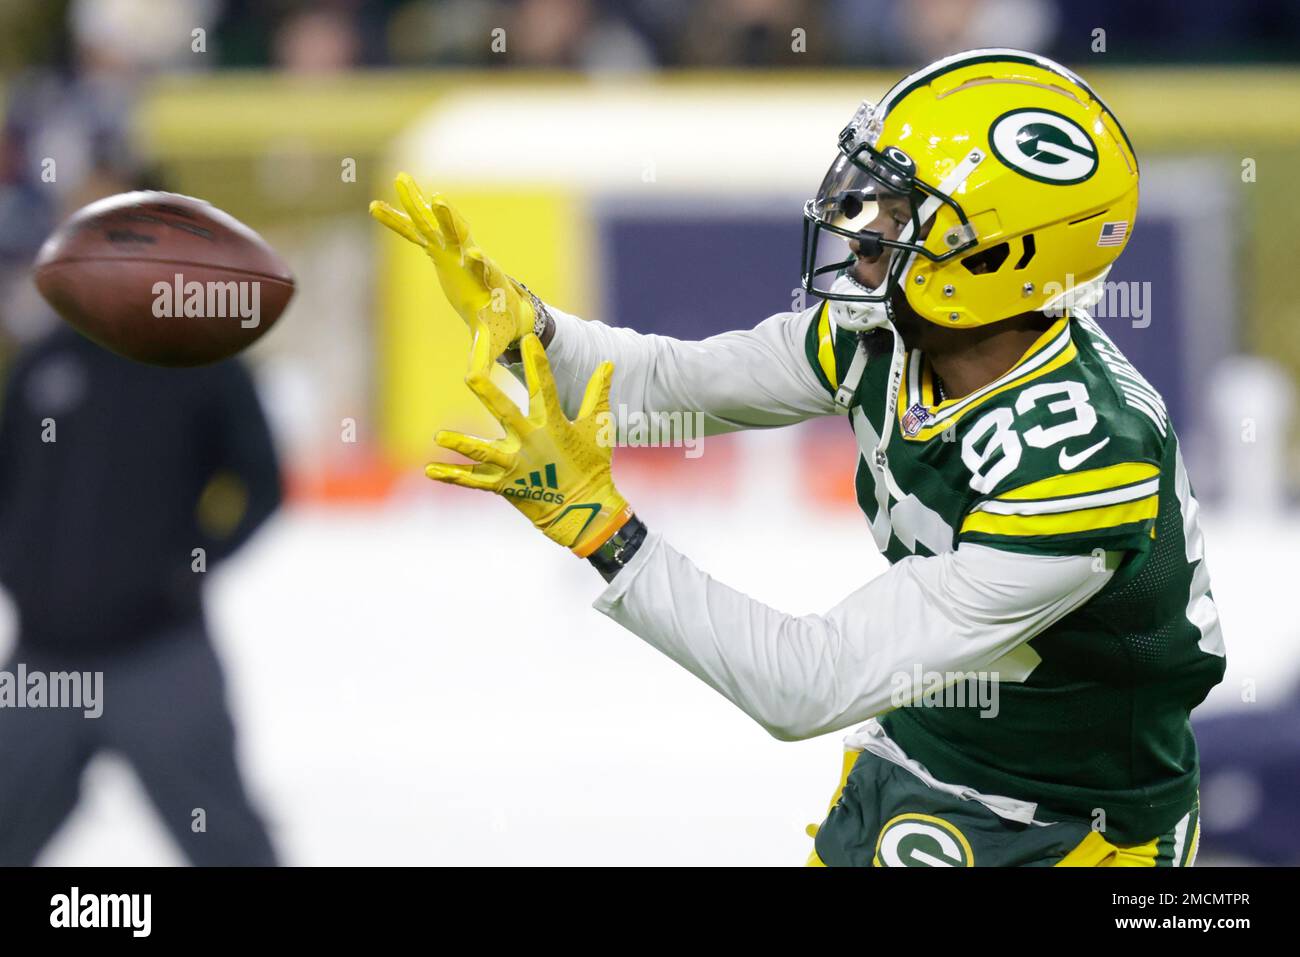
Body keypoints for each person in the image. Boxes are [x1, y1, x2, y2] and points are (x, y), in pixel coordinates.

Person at [370, 48, 1226, 867]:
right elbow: (671, 383)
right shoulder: (889, 328)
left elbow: (805, 683)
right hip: (924, 744)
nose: (862, 231)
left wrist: (607, 534)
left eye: (903, 218)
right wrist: (527, 330)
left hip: (1075, 818)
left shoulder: (1080, 462)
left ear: (999, 256)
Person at [0, 318, 281, 866]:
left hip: (161, 654)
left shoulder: (200, 362)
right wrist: (20, 570)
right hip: (42, 663)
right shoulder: (42, 362)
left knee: (228, 842)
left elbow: (260, 482)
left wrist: (189, 566)